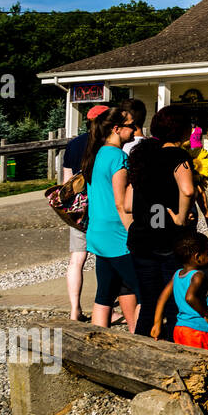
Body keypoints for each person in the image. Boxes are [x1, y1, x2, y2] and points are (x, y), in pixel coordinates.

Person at [126, 106, 197, 339]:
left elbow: (128, 203)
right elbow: (187, 190)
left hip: (142, 235)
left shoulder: (142, 155)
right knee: (172, 302)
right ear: (180, 129)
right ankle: (170, 345)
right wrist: (180, 218)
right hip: (168, 237)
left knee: (148, 301)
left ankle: (142, 347)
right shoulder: (178, 156)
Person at [83, 106, 140, 329]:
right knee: (144, 289)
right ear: (116, 129)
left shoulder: (97, 154)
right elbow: (121, 201)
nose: (135, 130)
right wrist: (133, 232)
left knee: (104, 293)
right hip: (117, 234)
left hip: (98, 231)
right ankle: (145, 339)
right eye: (131, 126)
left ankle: (96, 340)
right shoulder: (118, 157)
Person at [61, 104, 110, 322]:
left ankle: (74, 310)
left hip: (78, 209)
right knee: (107, 258)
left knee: (76, 259)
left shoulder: (73, 145)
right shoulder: (107, 145)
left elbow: (66, 183)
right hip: (102, 207)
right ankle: (105, 307)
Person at [151, 233, 208, 349]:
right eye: (207, 252)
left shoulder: (177, 275)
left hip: (180, 328)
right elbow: (190, 297)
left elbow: (162, 298)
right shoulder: (198, 276)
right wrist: (206, 313)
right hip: (197, 331)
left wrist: (157, 323)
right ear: (197, 257)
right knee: (201, 363)